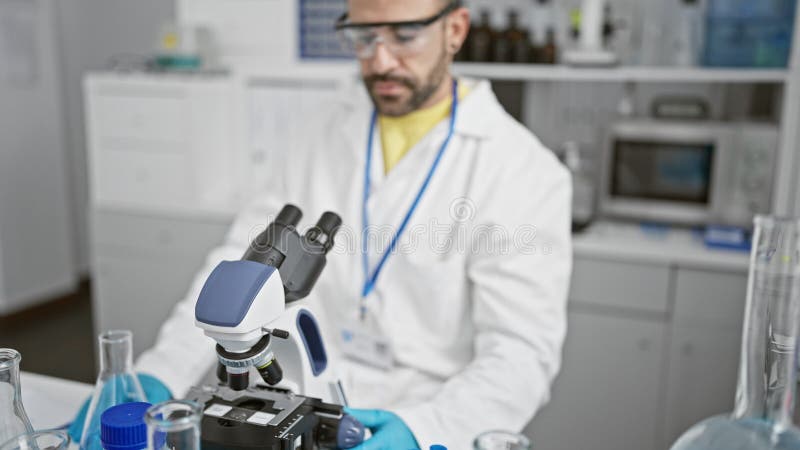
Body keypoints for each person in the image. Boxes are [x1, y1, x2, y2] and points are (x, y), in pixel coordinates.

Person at [76, 0, 572, 448]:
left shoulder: (523, 171)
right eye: (362, 36)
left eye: (404, 35)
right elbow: (237, 268)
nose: (380, 60)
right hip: (296, 398)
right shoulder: (315, 132)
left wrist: (424, 431)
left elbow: (520, 354)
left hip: (422, 411)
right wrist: (159, 374)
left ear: (455, 30)